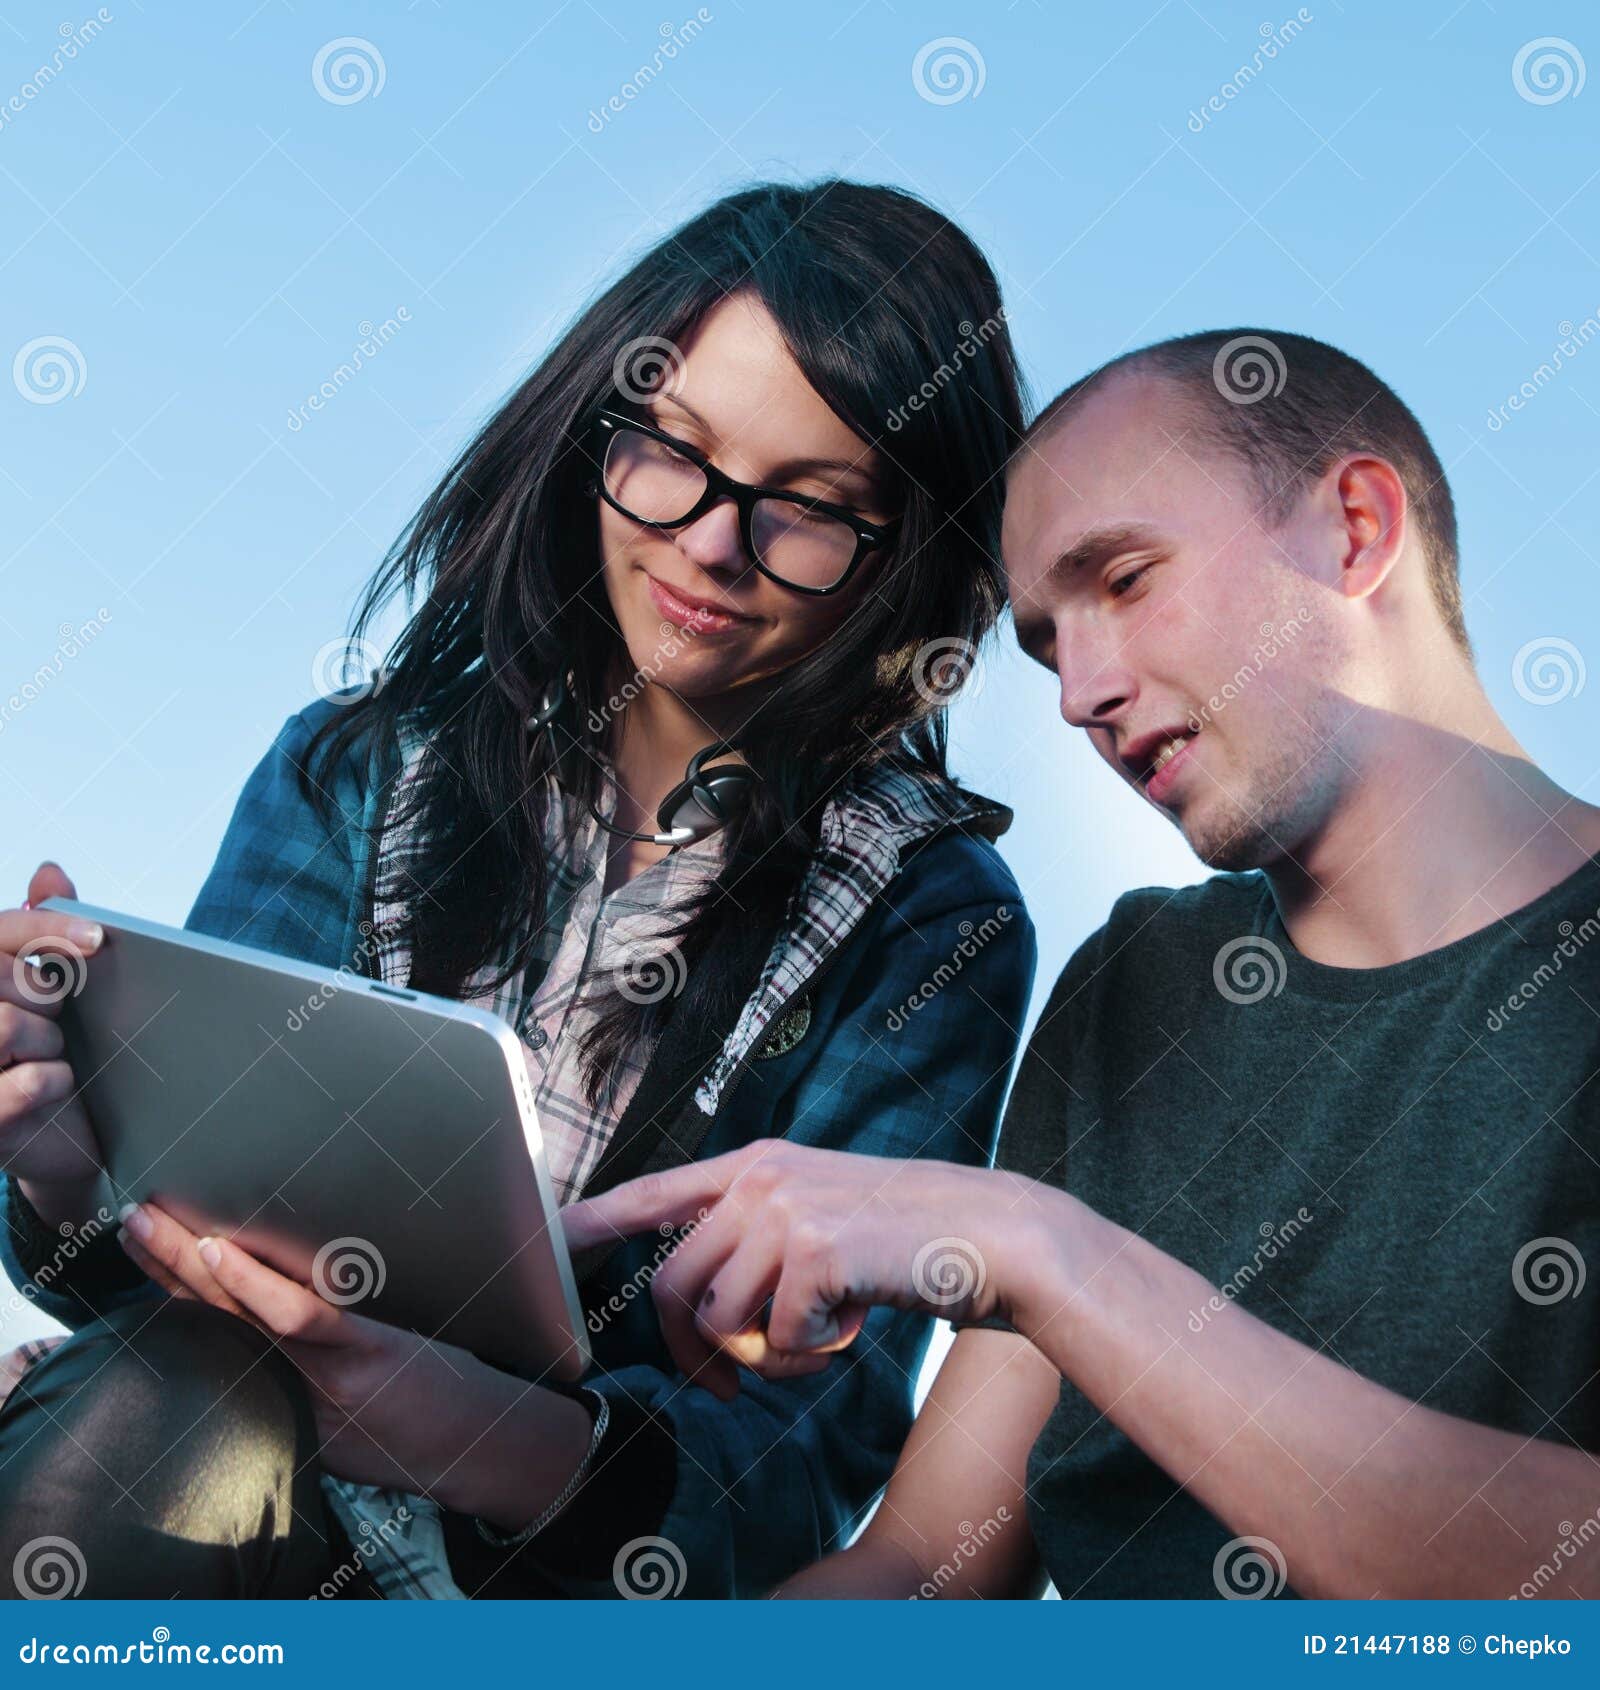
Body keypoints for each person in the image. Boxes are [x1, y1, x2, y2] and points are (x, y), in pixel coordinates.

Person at [0, 178, 1037, 1600]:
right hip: (191, 1447)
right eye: (672, 453)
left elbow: (796, 1471)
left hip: (535, 1581)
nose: (710, 544)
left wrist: (463, 1426)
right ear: (589, 433)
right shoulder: (354, 772)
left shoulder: (931, 919)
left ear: (905, 560)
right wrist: (64, 1149)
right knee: (174, 1419)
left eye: (808, 509)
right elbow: (131, 1274)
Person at [565, 328, 1600, 1600]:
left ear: (1355, 527)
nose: (1078, 695)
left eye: (1124, 579)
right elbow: (916, 1581)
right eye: (1049, 642)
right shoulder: (1134, 989)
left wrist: (1043, 1248)